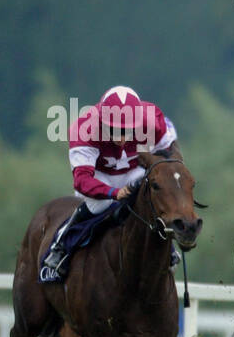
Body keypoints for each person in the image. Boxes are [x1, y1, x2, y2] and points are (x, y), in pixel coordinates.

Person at [40, 86, 178, 281]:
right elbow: (82, 180)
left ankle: (167, 246)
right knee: (100, 205)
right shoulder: (84, 129)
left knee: (152, 195)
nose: (121, 138)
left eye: (127, 130)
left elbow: (169, 154)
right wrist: (114, 192)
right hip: (100, 175)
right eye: (114, 130)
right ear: (101, 122)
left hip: (134, 171)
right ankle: (61, 246)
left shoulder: (152, 120)